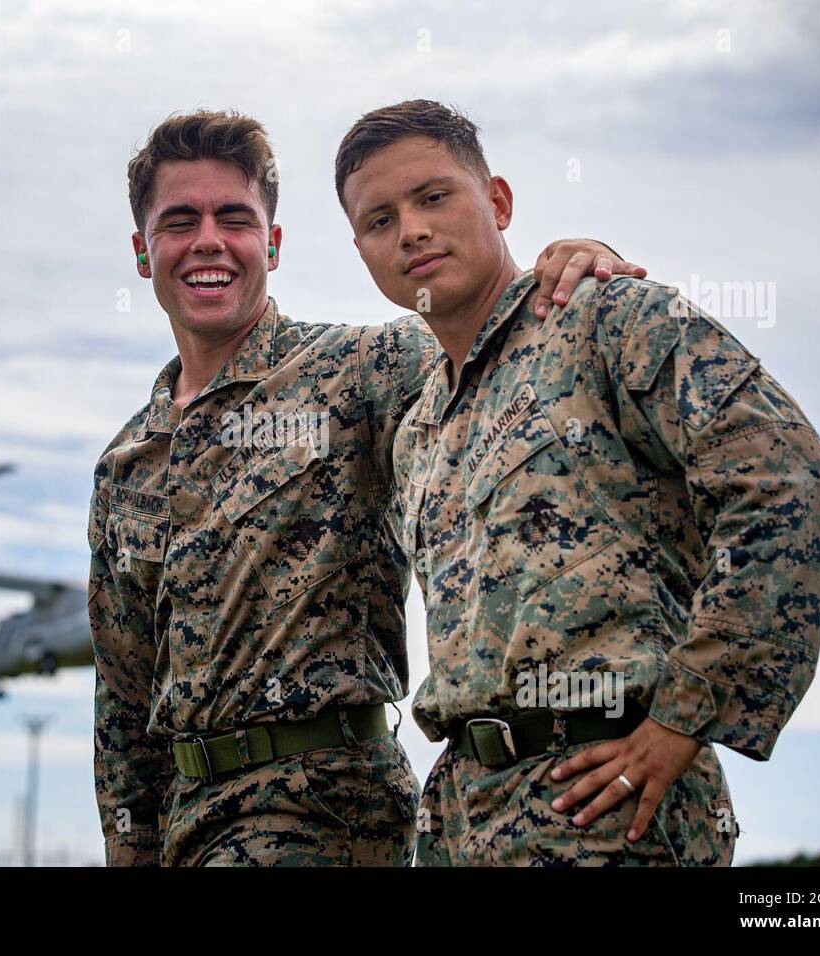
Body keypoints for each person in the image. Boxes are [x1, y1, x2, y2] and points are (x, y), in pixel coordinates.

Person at [88, 110, 639, 866]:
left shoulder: (361, 371)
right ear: (143, 253)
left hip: (320, 811)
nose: (209, 241)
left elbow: (499, 342)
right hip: (189, 830)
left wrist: (588, 258)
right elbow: (123, 704)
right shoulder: (126, 463)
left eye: (235, 220)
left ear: (272, 245)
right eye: (180, 222)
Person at [335, 99, 820, 866]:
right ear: (363, 250)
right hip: (464, 823)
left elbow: (785, 479)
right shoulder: (420, 430)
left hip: (607, 814)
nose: (411, 230)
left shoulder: (605, 320)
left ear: (498, 202)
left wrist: (685, 718)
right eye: (379, 220)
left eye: (434, 197)